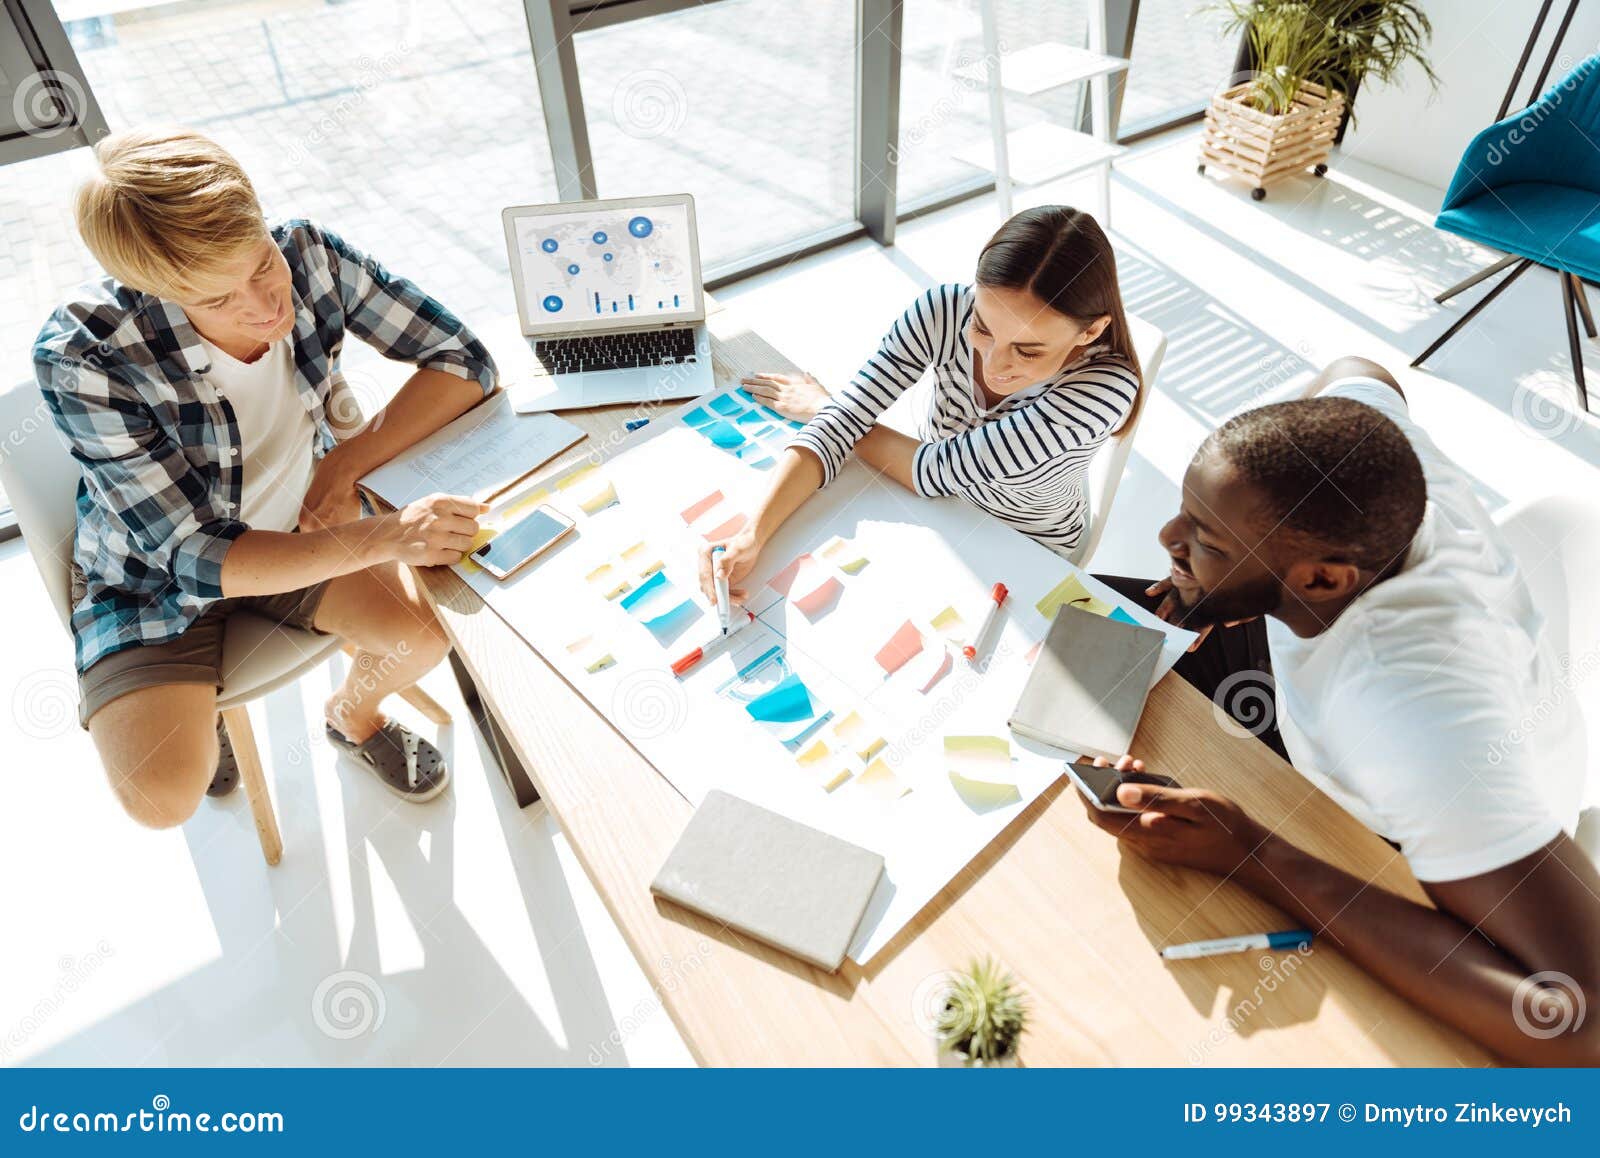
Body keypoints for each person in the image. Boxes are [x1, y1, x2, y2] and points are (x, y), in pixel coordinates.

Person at [1083, 355, 1600, 1066]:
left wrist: (1251, 853)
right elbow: (1361, 369)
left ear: (1322, 579)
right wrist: (1216, 578)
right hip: (1434, 717)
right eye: (1188, 515)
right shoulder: (1367, 448)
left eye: (1207, 540)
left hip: (1438, 821)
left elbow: (1578, 1024)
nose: (1168, 538)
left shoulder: (1409, 714)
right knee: (1092, 621)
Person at [34, 127, 494, 826]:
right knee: (161, 801)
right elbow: (197, 556)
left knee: (426, 636)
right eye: (219, 299)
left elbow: (463, 362)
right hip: (151, 577)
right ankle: (195, 703)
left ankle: (352, 716)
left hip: (299, 533)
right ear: (156, 290)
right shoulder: (82, 356)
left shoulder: (307, 251)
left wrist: (344, 463)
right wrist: (387, 536)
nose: (266, 307)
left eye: (260, 264)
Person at [698, 205, 1141, 604]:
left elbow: (931, 471)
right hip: (931, 507)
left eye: (1027, 351)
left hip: (1025, 542)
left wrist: (831, 408)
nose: (994, 365)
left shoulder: (1106, 389)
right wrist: (751, 535)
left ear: (1089, 331)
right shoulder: (945, 308)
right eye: (983, 328)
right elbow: (850, 429)